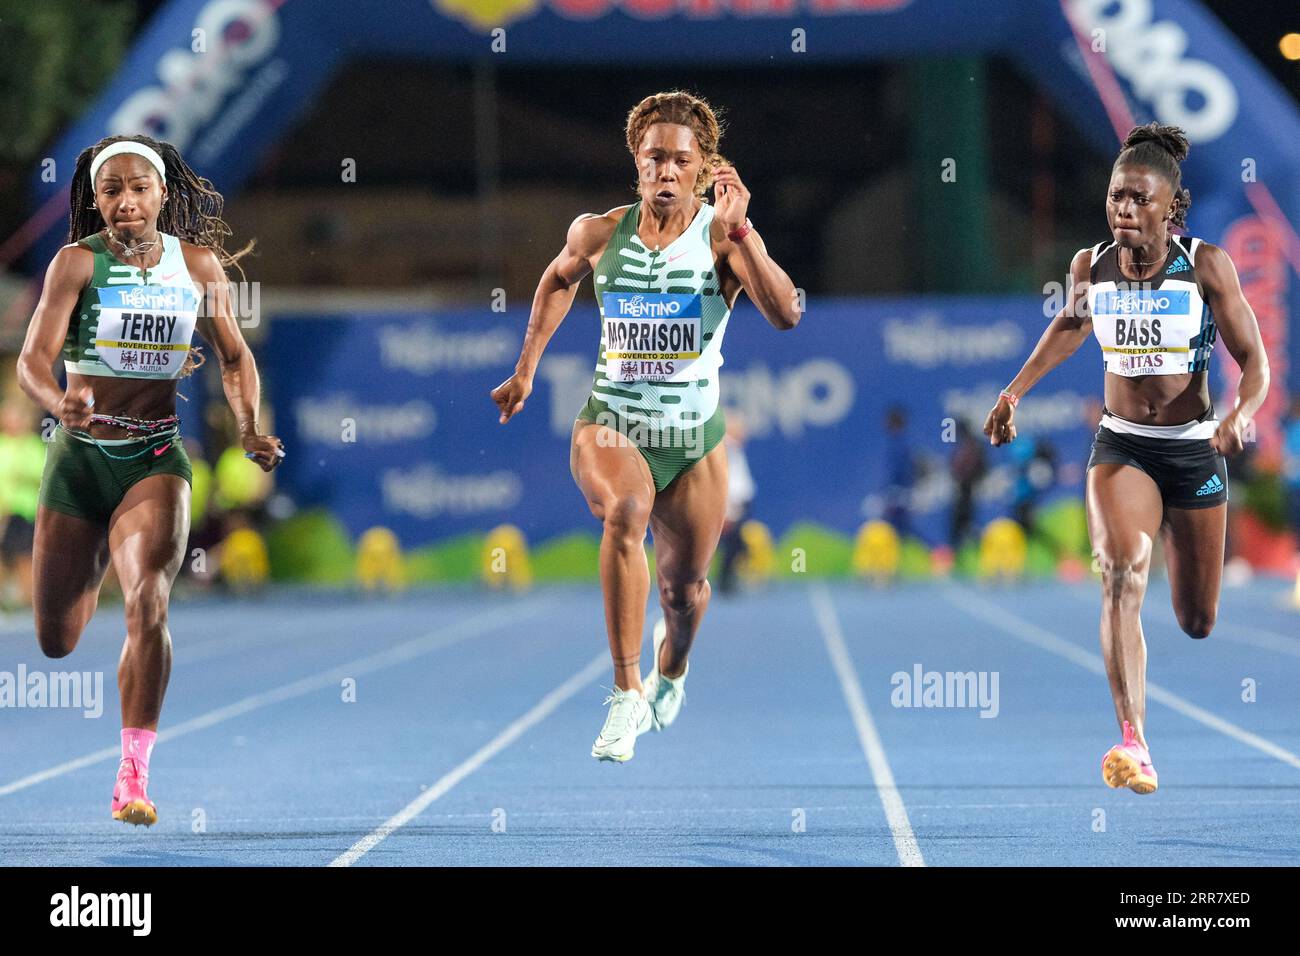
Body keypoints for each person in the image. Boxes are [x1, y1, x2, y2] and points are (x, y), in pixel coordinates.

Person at [491, 91, 801, 762]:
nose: (665, 170)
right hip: (611, 422)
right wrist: (525, 369)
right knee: (626, 513)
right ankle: (625, 692)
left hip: (693, 443)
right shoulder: (598, 233)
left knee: (682, 594)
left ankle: (673, 670)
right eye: (653, 157)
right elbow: (555, 280)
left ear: (700, 169)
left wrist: (747, 233)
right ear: (637, 161)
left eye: (679, 160)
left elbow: (786, 314)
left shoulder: (723, 235)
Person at [984, 123, 1269, 795]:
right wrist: (1013, 391)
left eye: (1139, 200)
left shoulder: (1205, 266)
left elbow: (1255, 360)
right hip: (1122, 447)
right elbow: (1072, 326)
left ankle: (1152, 695)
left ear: (1169, 209)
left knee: (1198, 621)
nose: (1123, 211)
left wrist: (1241, 416)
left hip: (1194, 447)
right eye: (1116, 198)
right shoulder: (1092, 266)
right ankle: (1133, 740)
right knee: (1121, 571)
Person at [15, 134, 285, 825]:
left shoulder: (198, 267)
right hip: (79, 461)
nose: (126, 201)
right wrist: (57, 401)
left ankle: (131, 775)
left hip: (155, 461)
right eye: (112, 190)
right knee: (55, 638)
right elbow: (32, 360)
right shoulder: (75, 264)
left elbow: (233, 355)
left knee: (149, 604)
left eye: (140, 188)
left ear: (163, 194)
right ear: (96, 199)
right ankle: (95, 552)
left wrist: (249, 426)